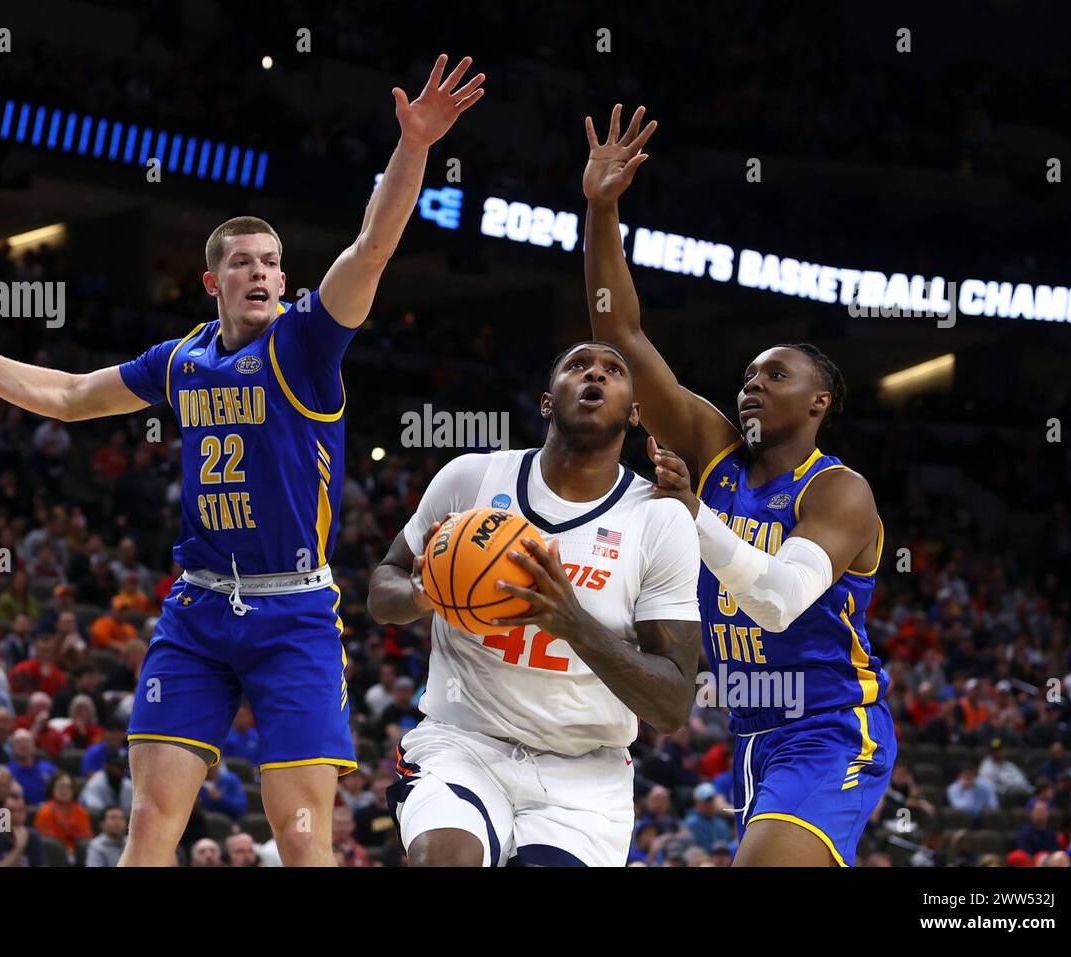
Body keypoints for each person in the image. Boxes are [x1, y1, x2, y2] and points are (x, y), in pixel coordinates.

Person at [0, 52, 484, 868]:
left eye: (273, 262)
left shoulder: (306, 344)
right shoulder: (180, 361)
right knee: (149, 828)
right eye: (244, 262)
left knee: (302, 834)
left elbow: (372, 247)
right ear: (212, 280)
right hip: (199, 611)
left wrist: (413, 145)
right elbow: (66, 395)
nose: (263, 273)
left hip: (294, 614)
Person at [583, 104, 895, 867]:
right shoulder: (715, 448)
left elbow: (780, 601)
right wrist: (601, 209)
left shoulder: (839, 493)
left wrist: (693, 516)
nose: (752, 385)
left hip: (831, 725)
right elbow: (620, 335)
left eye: (775, 375)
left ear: (819, 401)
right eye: (748, 374)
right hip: (752, 733)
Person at [368, 341, 702, 866]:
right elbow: (381, 589)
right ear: (547, 402)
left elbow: (673, 705)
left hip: (584, 778)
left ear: (635, 415)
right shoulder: (471, 478)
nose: (594, 374)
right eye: (578, 366)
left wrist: (573, 624)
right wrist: (422, 592)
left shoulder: (660, 521)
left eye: (613, 371)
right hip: (463, 743)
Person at [31, 771, 92, 859]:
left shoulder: (81, 811)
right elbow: (48, 844)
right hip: (54, 858)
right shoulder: (45, 812)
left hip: (78, 856)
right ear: (52, 789)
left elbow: (85, 838)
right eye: (60, 786)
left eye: (68, 787)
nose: (64, 790)